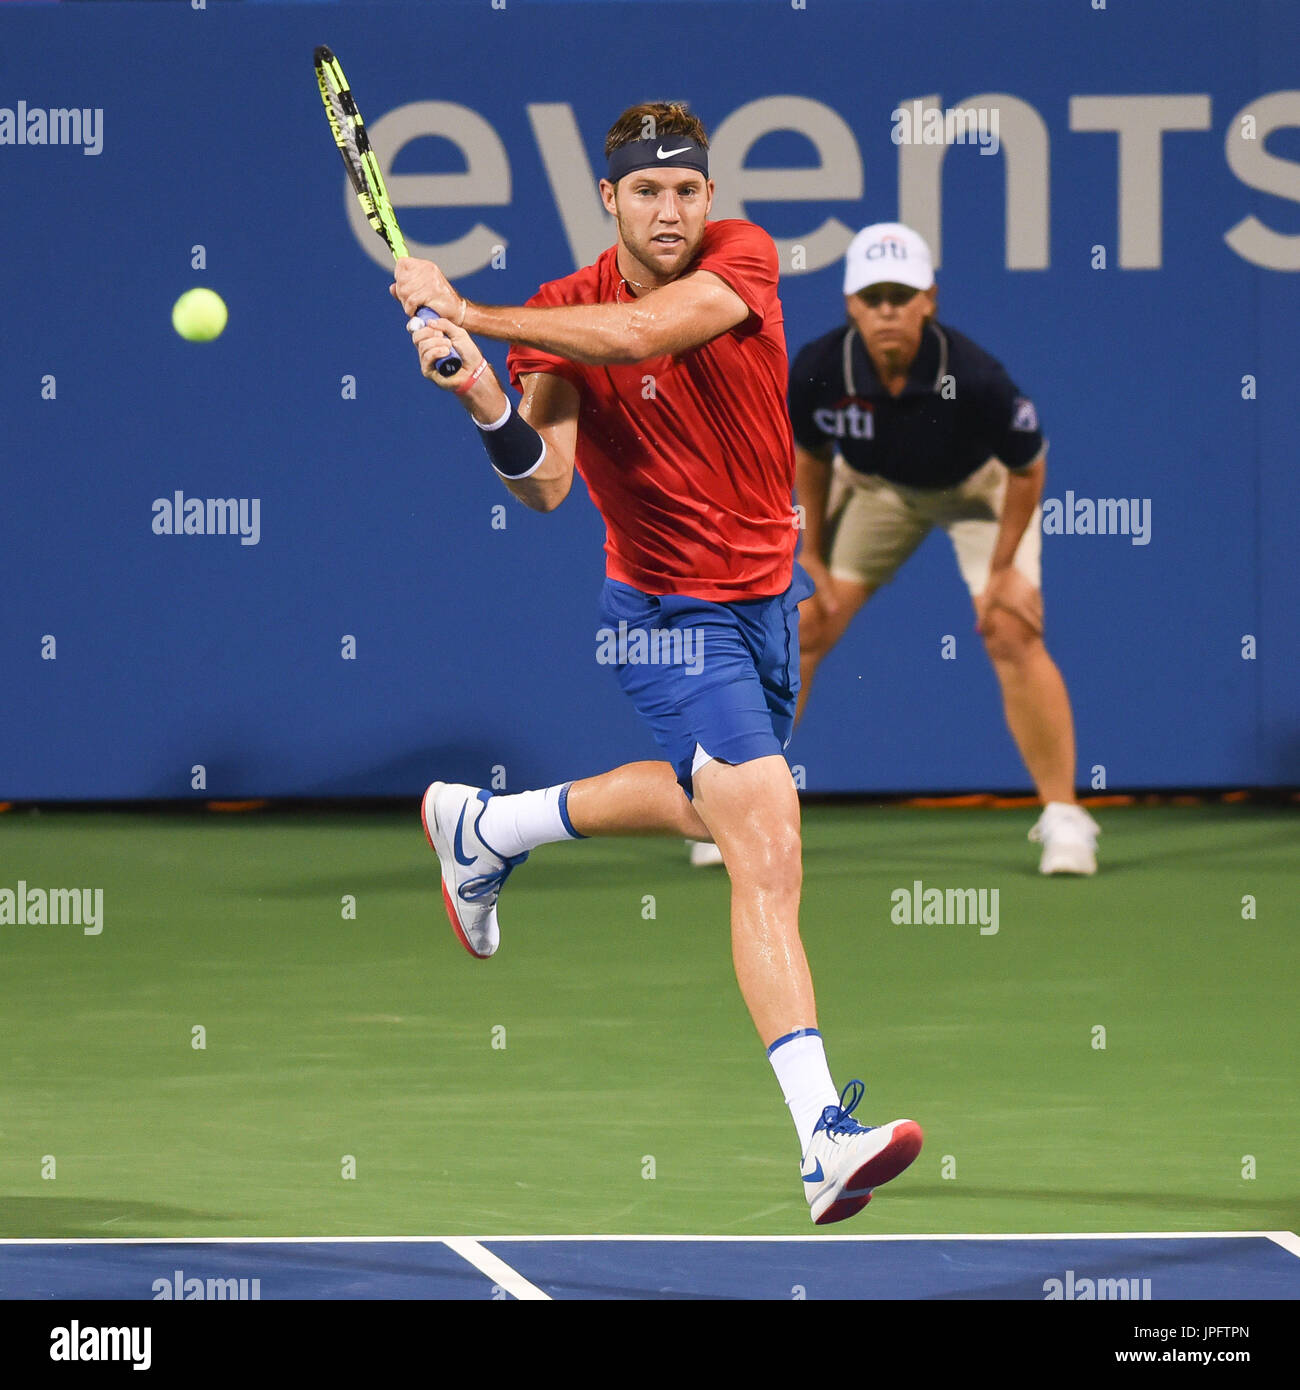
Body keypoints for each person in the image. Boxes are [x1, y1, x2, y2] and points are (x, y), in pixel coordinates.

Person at [391, 104, 921, 1224]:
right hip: (665, 610)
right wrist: (479, 390)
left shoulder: (744, 258)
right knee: (766, 840)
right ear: (610, 200)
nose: (671, 211)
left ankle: (487, 831)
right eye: (647, 192)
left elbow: (644, 337)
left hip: (762, 600)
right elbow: (542, 483)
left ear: (709, 198)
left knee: (707, 809)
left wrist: (468, 309)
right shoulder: (553, 318)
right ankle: (822, 1133)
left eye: (687, 190)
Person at [788, 223, 1100, 875]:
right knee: (805, 621)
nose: (887, 311)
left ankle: (1067, 817)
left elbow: (1027, 468)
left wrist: (1005, 567)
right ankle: (746, 807)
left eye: (901, 296)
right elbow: (810, 459)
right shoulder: (820, 369)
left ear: (929, 298)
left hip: (979, 491)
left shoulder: (975, 375)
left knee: (1010, 627)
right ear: (850, 305)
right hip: (877, 493)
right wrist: (810, 553)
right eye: (872, 298)